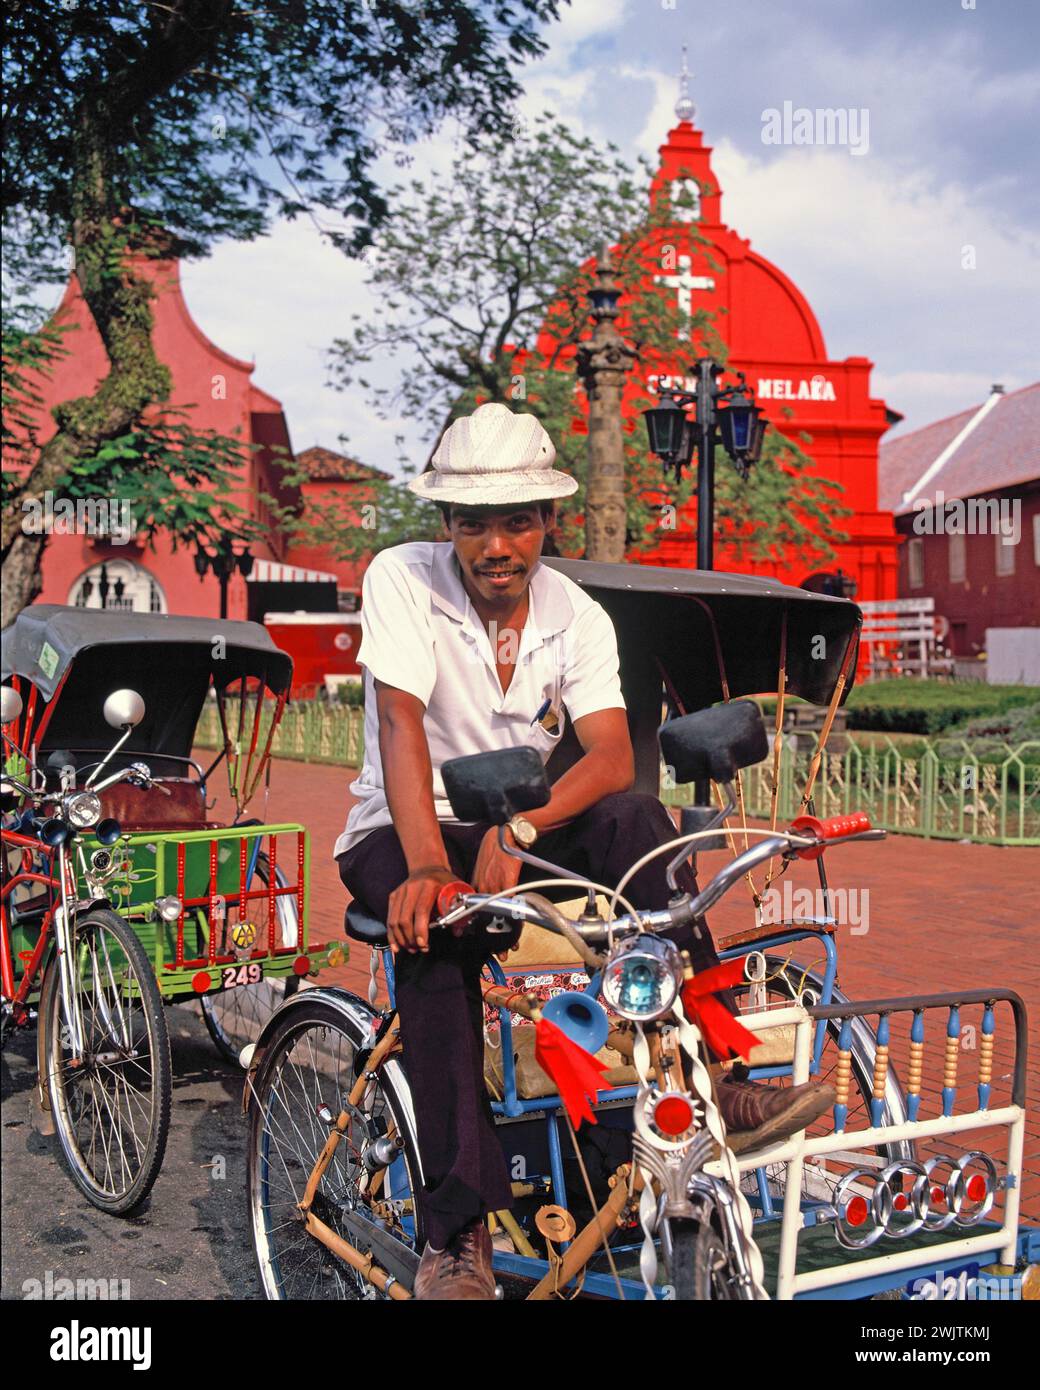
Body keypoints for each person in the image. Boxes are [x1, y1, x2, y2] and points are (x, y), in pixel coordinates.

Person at [336, 402, 833, 1300]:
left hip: (511, 818)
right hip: (402, 825)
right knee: (443, 934)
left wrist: (520, 829)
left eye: (519, 522)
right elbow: (401, 724)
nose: (499, 546)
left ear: (547, 523)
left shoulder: (574, 610)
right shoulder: (401, 579)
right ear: (447, 526)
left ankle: (715, 1072)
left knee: (640, 825)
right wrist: (426, 867)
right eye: (477, 524)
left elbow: (607, 754)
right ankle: (455, 1232)